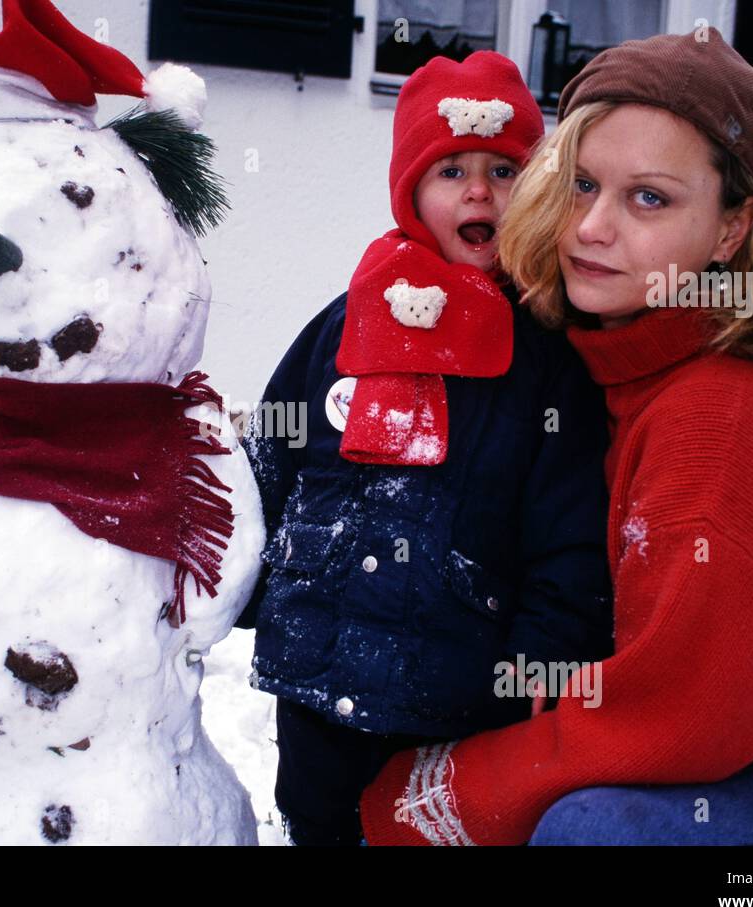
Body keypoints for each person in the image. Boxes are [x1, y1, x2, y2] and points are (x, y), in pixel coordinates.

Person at [358, 27, 753, 846]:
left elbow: (675, 716)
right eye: (581, 185)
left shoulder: (722, 420)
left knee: (600, 833)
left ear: (731, 231)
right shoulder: (606, 360)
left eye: (649, 198)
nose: (592, 228)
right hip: (715, 763)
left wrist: (442, 798)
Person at [234, 51, 614, 846]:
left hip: (457, 696)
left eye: (503, 171)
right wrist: (230, 580)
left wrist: (529, 675)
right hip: (317, 676)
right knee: (319, 827)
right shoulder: (346, 324)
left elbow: (571, 543)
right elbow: (272, 455)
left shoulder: (545, 357)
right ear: (411, 194)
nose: (478, 191)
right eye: (450, 171)